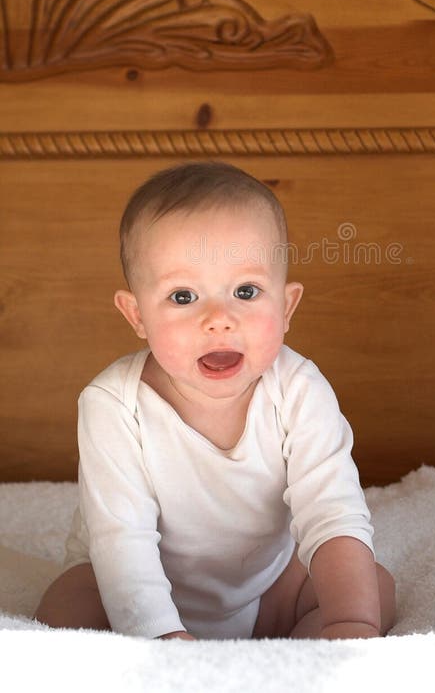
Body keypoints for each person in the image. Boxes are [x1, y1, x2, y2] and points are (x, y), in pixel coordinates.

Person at [35, 161, 396, 640]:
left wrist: (351, 625)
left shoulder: (300, 391)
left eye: (245, 291)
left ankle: (302, 661)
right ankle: (163, 652)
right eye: (183, 296)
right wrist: (162, 639)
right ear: (137, 315)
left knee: (371, 588)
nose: (219, 319)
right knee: (67, 607)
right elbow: (123, 542)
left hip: (263, 589)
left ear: (286, 308)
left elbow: (331, 514)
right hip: (132, 593)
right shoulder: (113, 406)